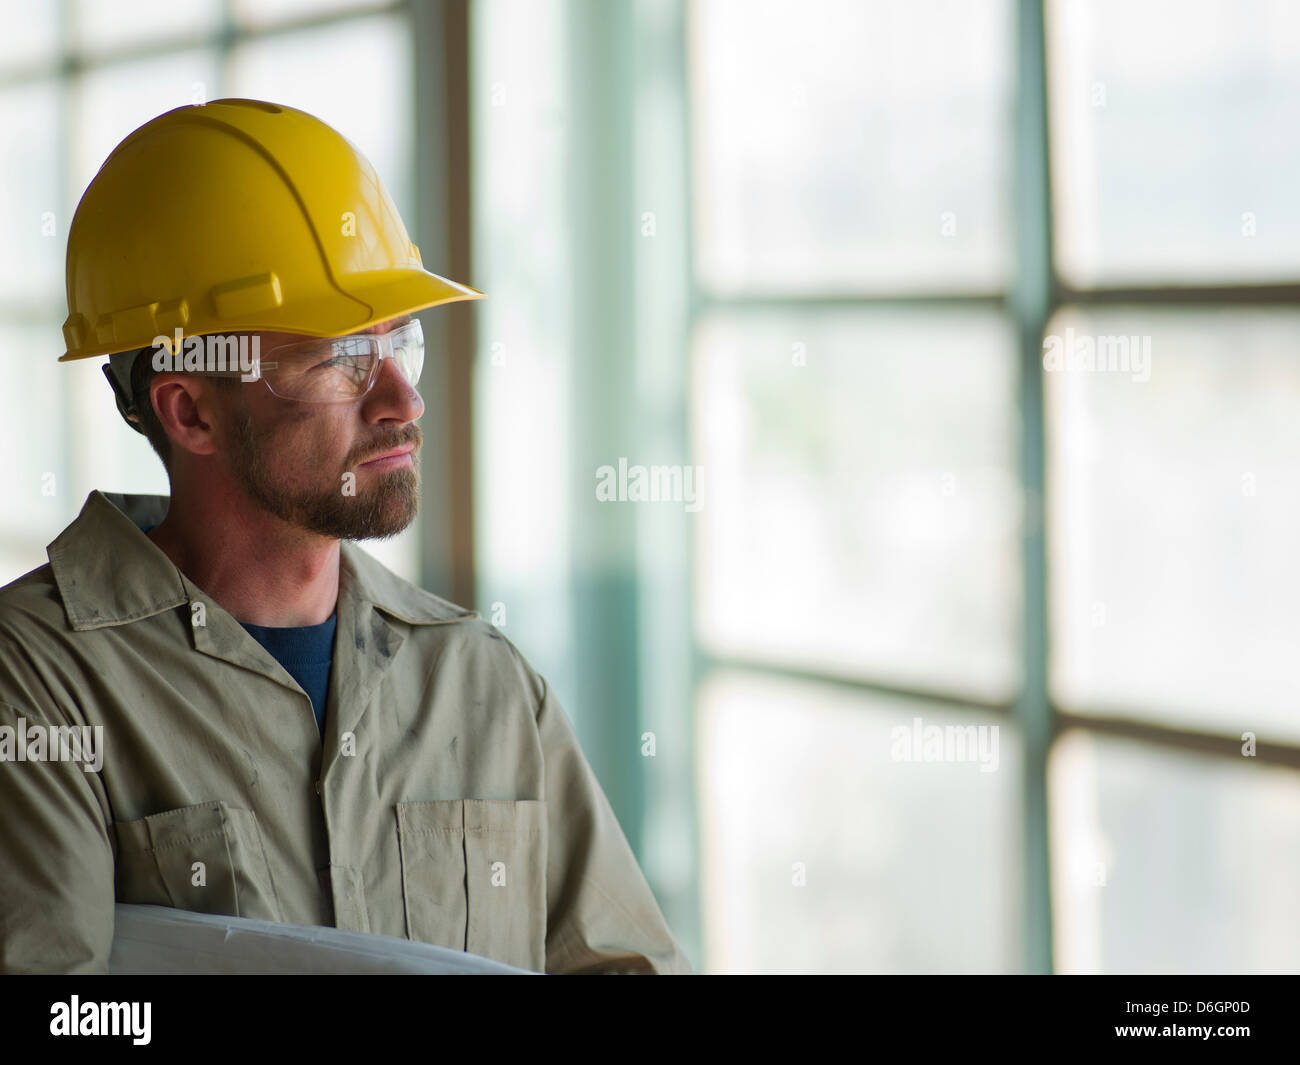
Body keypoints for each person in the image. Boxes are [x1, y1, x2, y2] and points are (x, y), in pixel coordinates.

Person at [0, 98, 690, 975]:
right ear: (191, 409)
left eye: (401, 342)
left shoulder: (485, 683)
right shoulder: (35, 687)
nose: (404, 400)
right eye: (340, 359)